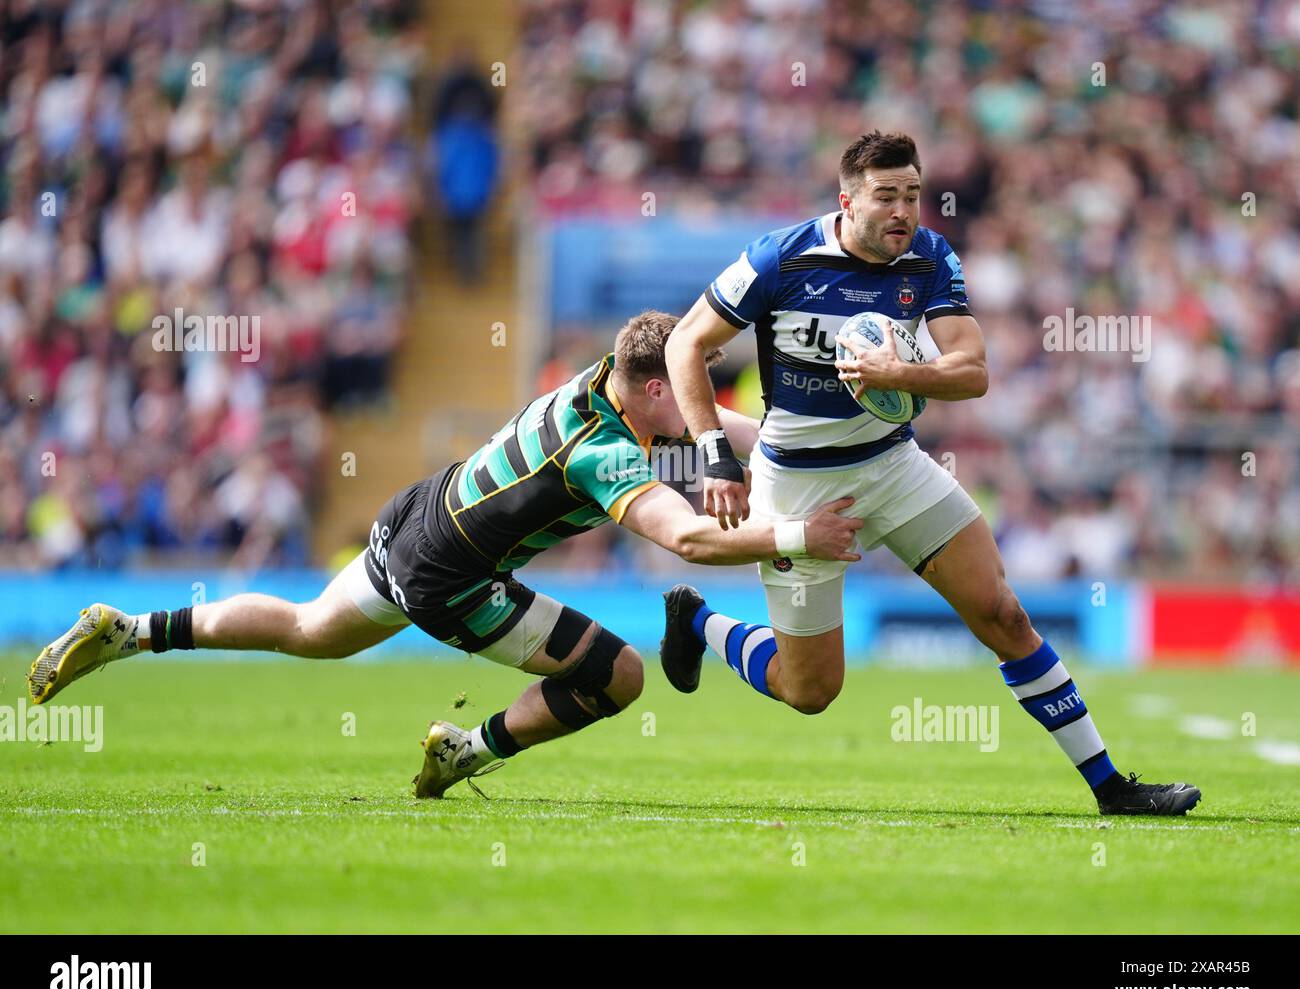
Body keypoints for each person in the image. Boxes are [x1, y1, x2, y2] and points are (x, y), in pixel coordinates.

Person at [27, 311, 861, 798]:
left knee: (310, 628)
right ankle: (470, 748)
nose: (697, 403)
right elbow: (684, 537)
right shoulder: (605, 453)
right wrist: (798, 534)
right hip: (456, 577)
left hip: (420, 512)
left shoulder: (599, 380)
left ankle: (131, 629)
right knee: (619, 675)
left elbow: (719, 432)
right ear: (652, 389)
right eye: (685, 388)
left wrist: (792, 451)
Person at [660, 131, 1200, 816]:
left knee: (1003, 612)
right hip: (797, 484)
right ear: (847, 200)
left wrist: (900, 374)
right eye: (886, 196)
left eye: (912, 195)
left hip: (894, 463)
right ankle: (700, 619)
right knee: (811, 691)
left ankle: (1111, 786)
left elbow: (971, 372)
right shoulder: (780, 258)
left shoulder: (929, 258)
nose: (902, 212)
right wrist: (712, 453)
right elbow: (688, 342)